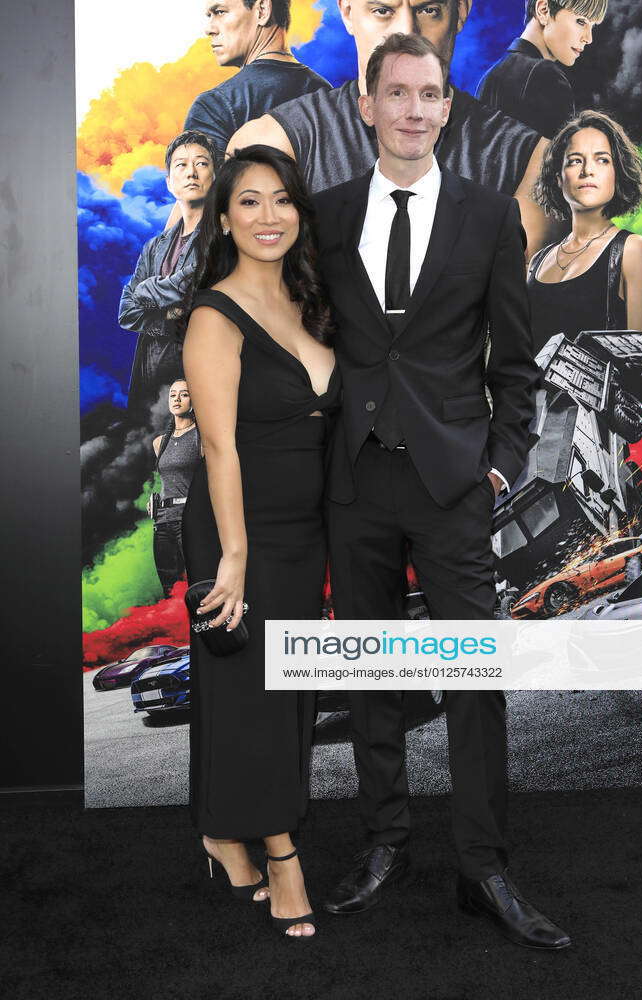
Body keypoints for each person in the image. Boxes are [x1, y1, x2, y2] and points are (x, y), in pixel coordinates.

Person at [313, 33, 570, 950]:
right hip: (353, 483)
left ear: (446, 108)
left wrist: (499, 460)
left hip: (451, 482)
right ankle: (384, 844)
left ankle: (484, 866)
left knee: (472, 683)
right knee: (372, 679)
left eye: (429, 94)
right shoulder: (326, 213)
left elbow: (514, 356)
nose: (413, 110)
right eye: (397, 93)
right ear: (366, 104)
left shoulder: (488, 215)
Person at [180, 145, 339, 938]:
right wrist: (232, 560)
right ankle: (281, 856)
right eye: (248, 201)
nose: (267, 216)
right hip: (234, 529)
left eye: (281, 200)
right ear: (224, 217)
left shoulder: (311, 304)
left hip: (305, 532)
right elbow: (219, 448)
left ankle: (219, 828)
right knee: (255, 696)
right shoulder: (214, 312)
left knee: (278, 695)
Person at [227, 0, 557, 258]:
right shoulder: (275, 144)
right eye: (383, 10)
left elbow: (500, 305)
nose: (405, 33)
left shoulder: (533, 161)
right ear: (347, 11)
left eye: (428, 10)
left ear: (460, 11)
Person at [528, 109, 642, 356]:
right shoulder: (538, 262)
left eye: (602, 159)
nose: (587, 170)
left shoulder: (633, 251)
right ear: (559, 177)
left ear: (617, 174)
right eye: (575, 160)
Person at [119, 131, 216, 413]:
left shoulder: (221, 238)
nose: (191, 173)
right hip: (150, 373)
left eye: (201, 163)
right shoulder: (154, 246)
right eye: (181, 165)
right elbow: (126, 311)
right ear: (169, 182)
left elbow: (187, 289)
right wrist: (169, 314)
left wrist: (147, 293)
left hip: (197, 371)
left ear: (215, 175)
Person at [184, 0, 331, 159]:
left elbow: (205, 183)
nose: (209, 29)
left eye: (220, 12)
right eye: (209, 16)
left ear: (262, 10)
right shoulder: (327, 94)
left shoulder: (214, 107)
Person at [476, 0, 607, 139]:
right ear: (543, 10)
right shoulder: (545, 76)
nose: (589, 38)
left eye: (592, 27)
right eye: (581, 22)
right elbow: (558, 158)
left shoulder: (489, 77)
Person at [150, 380, 200, 597]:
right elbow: (167, 480)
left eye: (184, 394)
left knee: (198, 582)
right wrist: (155, 500)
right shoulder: (160, 442)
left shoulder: (202, 435)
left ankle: (200, 630)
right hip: (162, 522)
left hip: (190, 520)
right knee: (169, 588)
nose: (177, 399)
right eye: (173, 395)